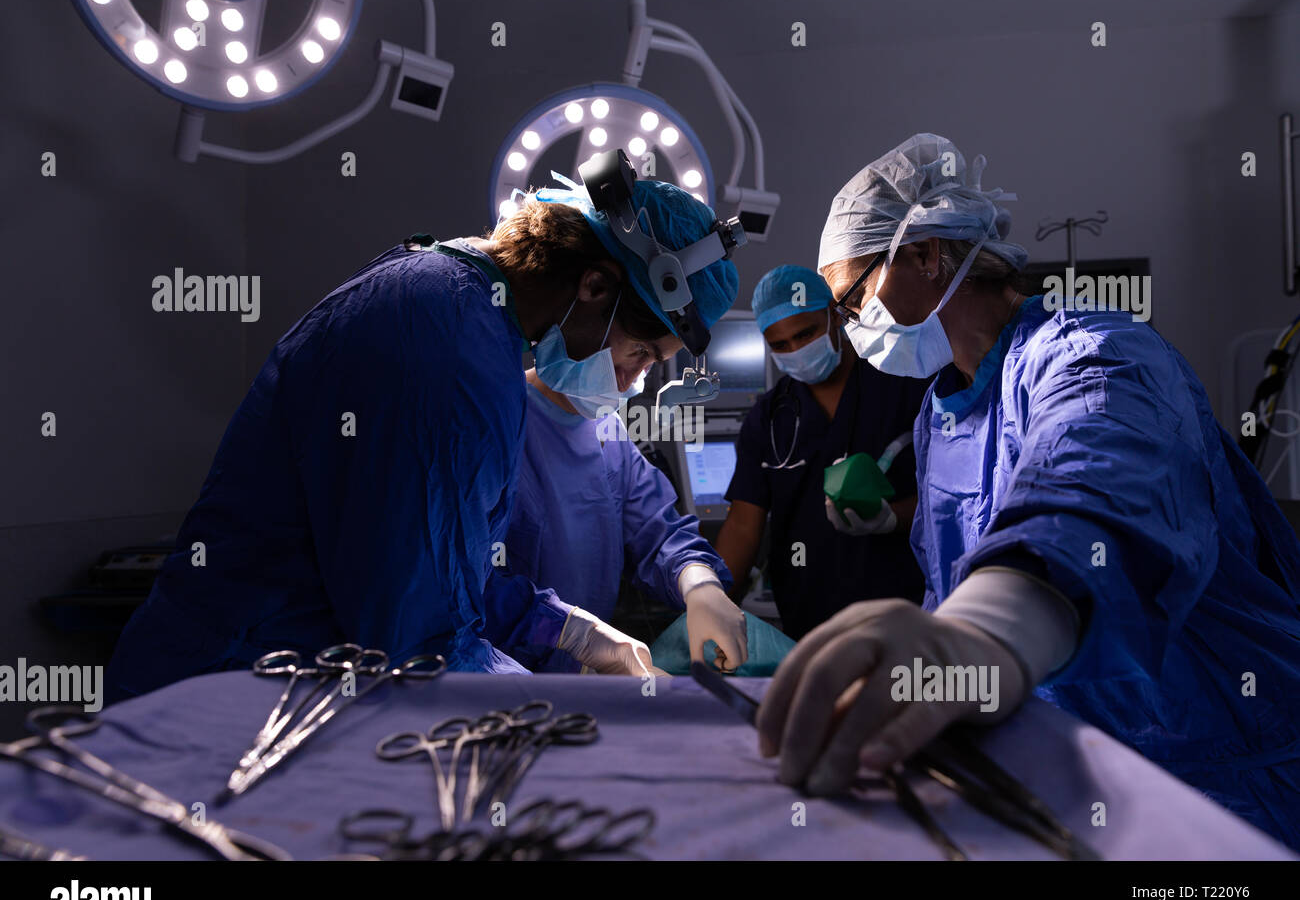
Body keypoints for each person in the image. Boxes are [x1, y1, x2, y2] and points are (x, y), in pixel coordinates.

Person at [757, 133, 1300, 849]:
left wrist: (984, 636)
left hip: (1211, 769)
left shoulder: (1099, 354)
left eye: (853, 297)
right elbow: (951, 575)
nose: (853, 326)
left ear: (925, 255)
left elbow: (1095, 487)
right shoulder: (940, 414)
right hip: (1066, 770)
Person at [104, 165, 740, 701]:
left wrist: (569, 631)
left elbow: (443, 574)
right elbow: (418, 642)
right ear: (596, 285)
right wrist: (565, 718)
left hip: (276, 693)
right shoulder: (450, 356)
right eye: (646, 354)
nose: (632, 384)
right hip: (229, 705)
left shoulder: (454, 310)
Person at [715, 264, 929, 641]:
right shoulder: (768, 417)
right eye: (780, 345)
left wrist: (891, 518)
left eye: (806, 333)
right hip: (808, 618)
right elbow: (743, 525)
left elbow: (959, 501)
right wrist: (712, 603)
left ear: (835, 314)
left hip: (906, 611)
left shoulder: (905, 384)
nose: (796, 351)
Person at [503, 366, 746, 672]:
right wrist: (572, 636)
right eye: (636, 352)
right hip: (497, 681)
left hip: (578, 675)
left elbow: (656, 532)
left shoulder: (606, 426)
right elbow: (464, 588)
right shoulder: (493, 419)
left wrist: (698, 581)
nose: (630, 381)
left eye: (651, 362)